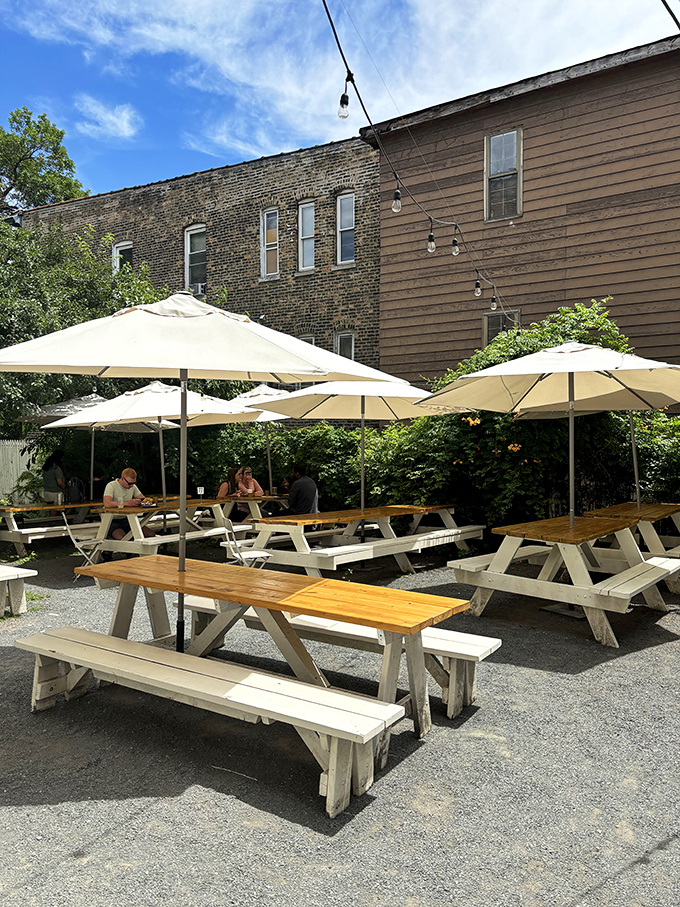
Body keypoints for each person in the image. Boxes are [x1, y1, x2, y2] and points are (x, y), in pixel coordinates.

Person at [103, 468, 155, 541]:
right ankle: (109, 549)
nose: (131, 485)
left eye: (133, 483)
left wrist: (142, 502)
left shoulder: (133, 487)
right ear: (122, 479)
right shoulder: (111, 485)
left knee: (150, 535)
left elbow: (143, 499)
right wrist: (128, 503)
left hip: (127, 519)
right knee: (123, 539)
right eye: (130, 483)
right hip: (112, 519)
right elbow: (107, 504)